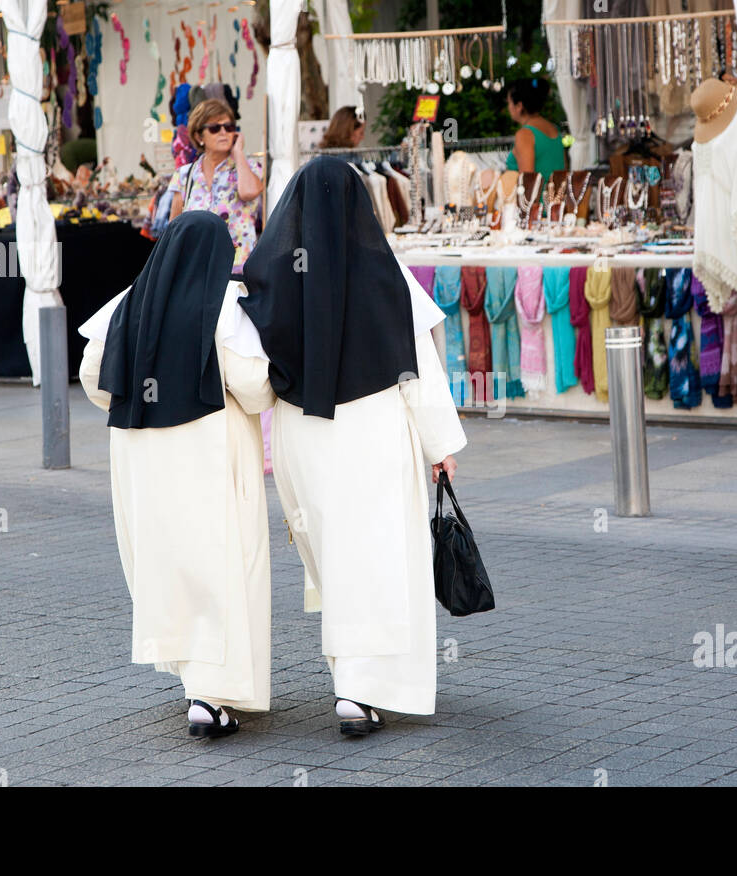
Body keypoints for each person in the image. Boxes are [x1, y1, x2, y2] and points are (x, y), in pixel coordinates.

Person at [239, 156, 467, 735]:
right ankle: (362, 688)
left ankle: (349, 676)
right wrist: (439, 444)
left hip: (303, 436)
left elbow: (254, 369)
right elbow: (422, 371)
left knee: (334, 554)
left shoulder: (270, 275)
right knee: (380, 554)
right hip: (375, 433)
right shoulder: (382, 274)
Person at [77, 211, 276, 738]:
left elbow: (93, 377)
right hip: (208, 453)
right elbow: (256, 388)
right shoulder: (226, 309)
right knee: (224, 567)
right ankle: (213, 696)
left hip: (141, 455)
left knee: (169, 566)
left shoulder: (128, 302)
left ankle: (195, 684)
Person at [167, 98, 264, 268]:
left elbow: (249, 192)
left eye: (229, 127)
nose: (223, 132)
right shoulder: (184, 175)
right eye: (214, 128)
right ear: (199, 136)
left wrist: (238, 152)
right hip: (197, 270)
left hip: (240, 270)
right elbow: (174, 230)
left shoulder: (249, 168)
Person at [505, 78, 567, 182]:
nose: (508, 107)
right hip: (555, 197)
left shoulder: (525, 134)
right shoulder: (554, 129)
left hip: (537, 197)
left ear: (519, 106)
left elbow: (528, 183)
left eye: (509, 102)